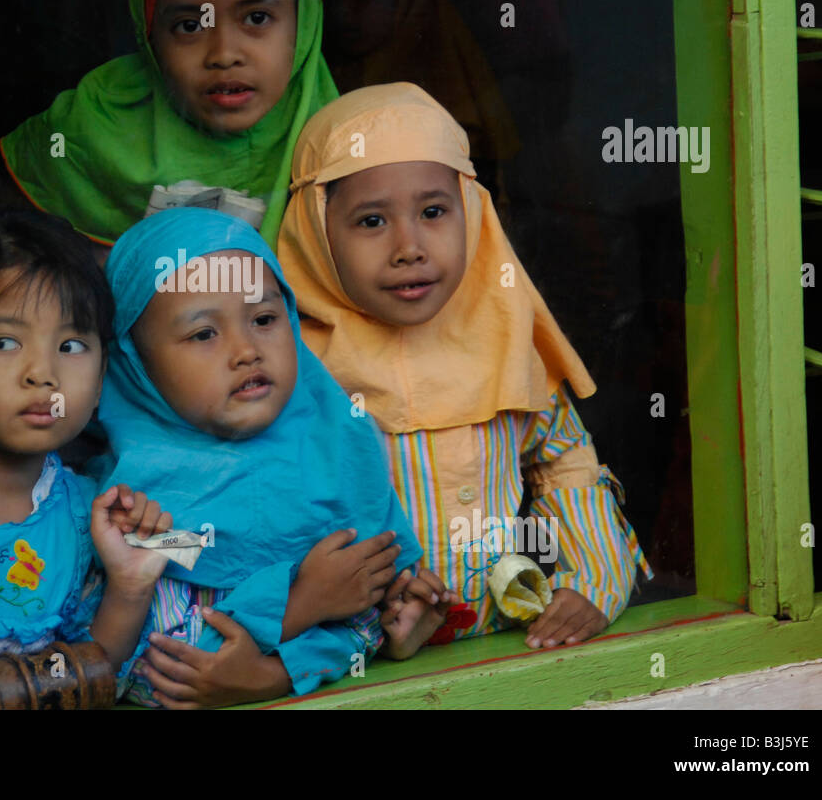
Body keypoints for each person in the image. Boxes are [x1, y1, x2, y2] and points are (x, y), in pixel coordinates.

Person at [278, 83, 653, 655]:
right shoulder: (290, 369)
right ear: (315, 231)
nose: (410, 246)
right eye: (371, 221)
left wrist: (593, 583)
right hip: (353, 664)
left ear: (473, 215)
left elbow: (566, 463)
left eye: (433, 212)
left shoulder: (503, 340)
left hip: (509, 647)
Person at [92, 207, 431, 709]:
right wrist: (299, 608)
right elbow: (162, 673)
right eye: (204, 334)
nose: (246, 350)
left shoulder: (335, 458)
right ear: (135, 363)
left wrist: (398, 620)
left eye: (265, 319)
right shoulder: (136, 510)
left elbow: (363, 623)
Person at [0, 0, 338, 250]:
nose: (223, 54)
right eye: (189, 26)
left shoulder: (343, 148)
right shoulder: (87, 133)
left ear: (305, 24)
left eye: (256, 18)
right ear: (149, 37)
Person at [0, 208, 171, 677]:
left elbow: (90, 680)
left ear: (103, 375)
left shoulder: (89, 518)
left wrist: (128, 586)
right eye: (4, 343)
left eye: (71, 346)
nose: (43, 374)